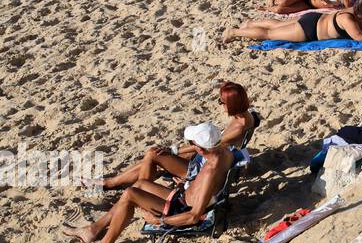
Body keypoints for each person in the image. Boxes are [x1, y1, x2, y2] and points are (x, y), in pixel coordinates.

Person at [64, 122, 233, 243]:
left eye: (192, 144)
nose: (190, 146)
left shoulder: (211, 169)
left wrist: (161, 220)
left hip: (180, 208)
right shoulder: (223, 151)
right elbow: (205, 186)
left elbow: (194, 216)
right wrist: (189, 183)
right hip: (183, 197)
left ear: (201, 149)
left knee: (130, 194)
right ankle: (93, 229)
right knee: (140, 184)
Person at [93, 82, 258, 192]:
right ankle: (114, 181)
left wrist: (174, 150)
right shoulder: (244, 117)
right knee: (158, 154)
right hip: (209, 158)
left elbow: (206, 147)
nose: (220, 104)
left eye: (221, 101)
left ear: (232, 103)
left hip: (204, 167)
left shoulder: (239, 126)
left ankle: (133, 188)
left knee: (154, 154)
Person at [222, 0, 362, 44]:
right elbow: (361, 39)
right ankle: (235, 32)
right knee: (269, 34)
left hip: (314, 19)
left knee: (278, 25)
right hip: (309, 30)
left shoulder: (357, 13)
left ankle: (251, 23)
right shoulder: (348, 20)